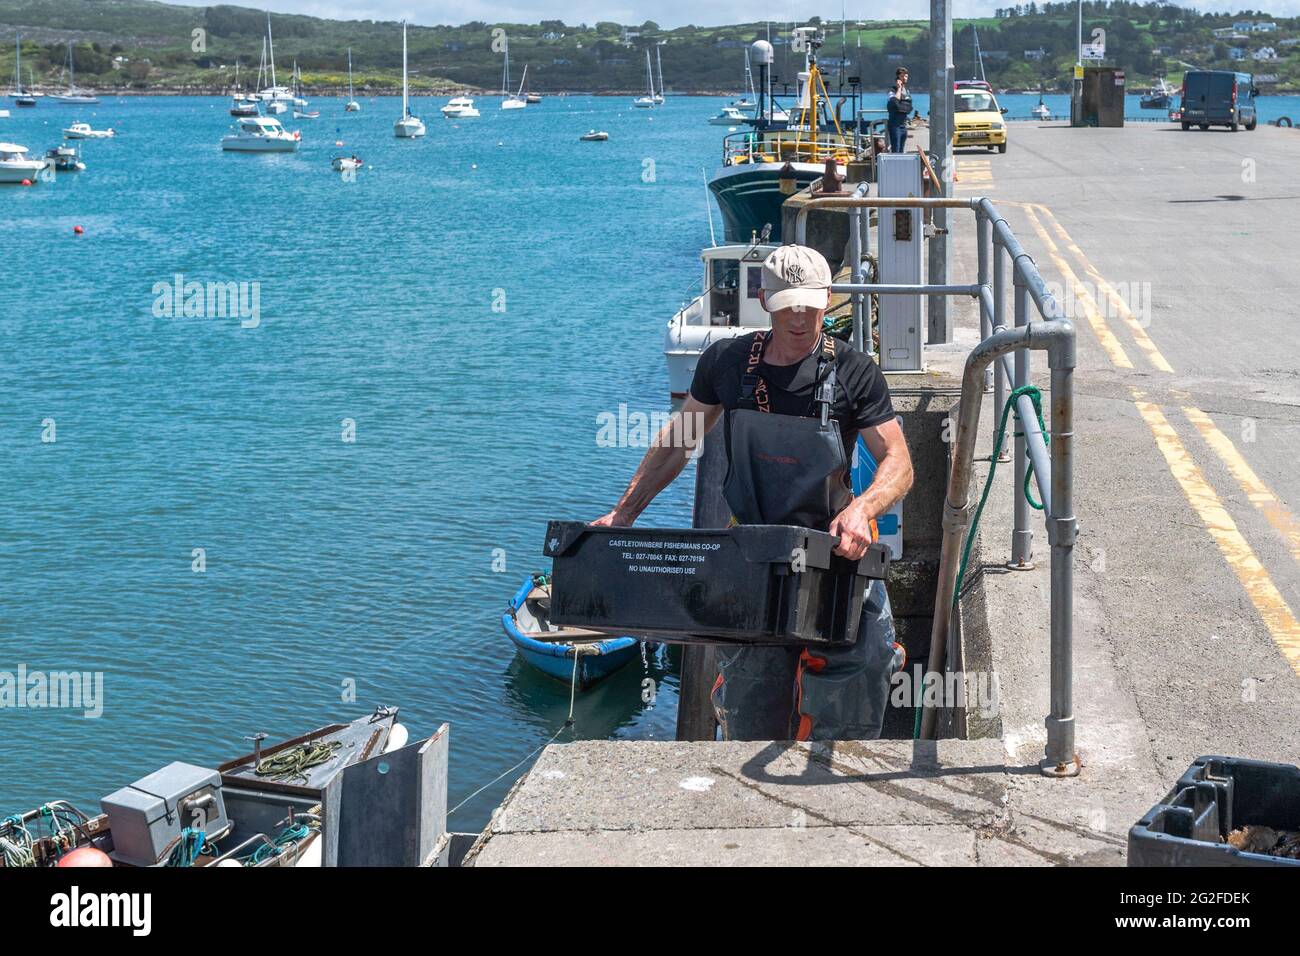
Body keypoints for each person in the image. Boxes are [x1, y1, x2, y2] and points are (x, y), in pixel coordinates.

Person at [593, 246, 914, 741]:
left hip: (835, 551)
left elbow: (900, 462)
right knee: (752, 707)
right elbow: (679, 442)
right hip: (753, 558)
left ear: (828, 299)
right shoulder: (726, 362)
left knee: (855, 689)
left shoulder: (854, 372)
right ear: (764, 299)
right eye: (788, 303)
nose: (800, 316)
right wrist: (623, 513)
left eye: (810, 303)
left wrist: (862, 508)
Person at [887, 67, 912, 153]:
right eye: (902, 76)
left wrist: (901, 106)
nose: (904, 78)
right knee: (896, 150)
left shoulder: (907, 91)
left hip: (903, 125)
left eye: (906, 76)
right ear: (898, 78)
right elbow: (894, 103)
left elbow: (908, 107)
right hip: (895, 125)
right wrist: (899, 88)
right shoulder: (893, 90)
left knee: (901, 150)